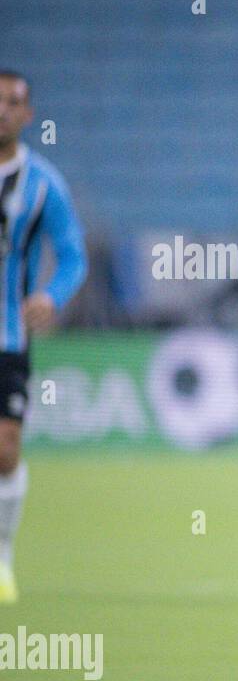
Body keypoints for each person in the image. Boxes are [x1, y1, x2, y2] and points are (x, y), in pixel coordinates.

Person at [0, 69, 87, 603]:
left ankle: (2, 561)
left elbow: (72, 256)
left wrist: (51, 296)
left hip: (9, 336)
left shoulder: (44, 184)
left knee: (6, 451)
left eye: (12, 102)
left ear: (28, 115)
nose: (2, 110)